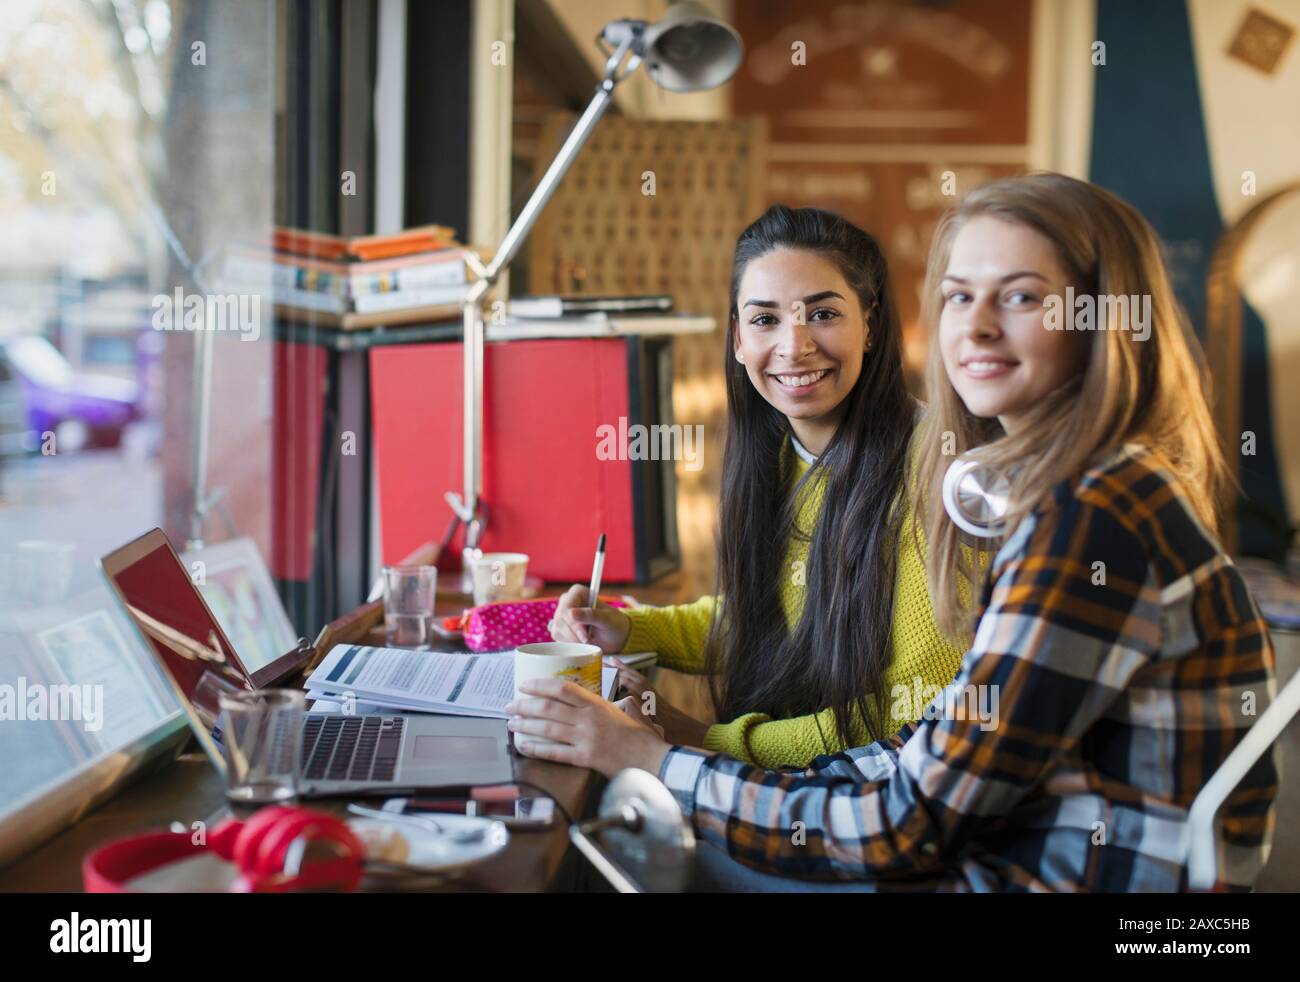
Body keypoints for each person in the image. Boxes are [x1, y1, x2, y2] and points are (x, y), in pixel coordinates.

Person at [508, 174, 1278, 892]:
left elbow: (905, 820)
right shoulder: (1072, 492)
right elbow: (930, 741)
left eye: (1019, 297)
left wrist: (662, 753)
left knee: (616, 855)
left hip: (1050, 874)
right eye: (958, 296)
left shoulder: (1089, 521)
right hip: (1011, 841)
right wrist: (668, 728)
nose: (975, 326)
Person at [549, 204, 971, 768]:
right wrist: (628, 625)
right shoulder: (777, 454)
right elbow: (767, 618)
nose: (793, 346)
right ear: (738, 339)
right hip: (793, 790)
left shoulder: (934, 469)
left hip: (862, 800)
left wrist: (692, 738)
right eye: (766, 319)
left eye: (822, 314)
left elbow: (914, 707)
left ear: (869, 324)